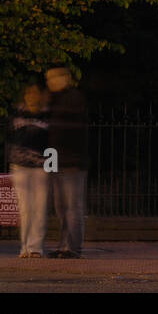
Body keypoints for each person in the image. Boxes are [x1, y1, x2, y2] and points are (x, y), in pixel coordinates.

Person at [45, 66, 88, 259]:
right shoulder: (53, 99)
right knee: (61, 206)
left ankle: (73, 247)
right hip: (57, 159)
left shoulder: (73, 98)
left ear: (64, 79)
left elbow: (69, 131)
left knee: (72, 206)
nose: (49, 82)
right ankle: (64, 245)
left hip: (72, 160)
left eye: (52, 78)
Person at [8, 80, 50, 258]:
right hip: (20, 166)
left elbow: (53, 142)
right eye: (28, 93)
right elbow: (9, 138)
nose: (31, 96)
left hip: (41, 167)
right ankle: (24, 247)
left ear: (40, 95)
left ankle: (36, 248)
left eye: (34, 93)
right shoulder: (16, 112)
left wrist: (52, 167)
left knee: (40, 208)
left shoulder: (48, 115)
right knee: (25, 208)